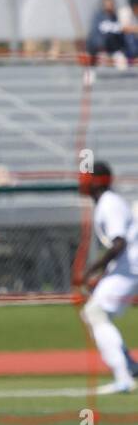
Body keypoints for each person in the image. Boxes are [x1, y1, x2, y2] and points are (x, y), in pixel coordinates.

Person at [77, 163, 138, 394]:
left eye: (86, 177)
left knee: (95, 313)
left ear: (97, 181)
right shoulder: (107, 202)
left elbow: (119, 243)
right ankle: (130, 367)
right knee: (95, 313)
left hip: (130, 267)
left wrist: (92, 269)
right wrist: (103, 276)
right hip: (127, 267)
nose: (81, 182)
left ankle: (123, 377)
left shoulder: (109, 204)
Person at [86, 0, 125, 68]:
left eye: (111, 4)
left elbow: (121, 35)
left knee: (121, 63)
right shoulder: (98, 17)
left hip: (114, 51)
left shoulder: (116, 17)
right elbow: (94, 35)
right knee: (103, 64)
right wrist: (101, 48)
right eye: (107, 4)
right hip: (101, 50)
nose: (110, 6)